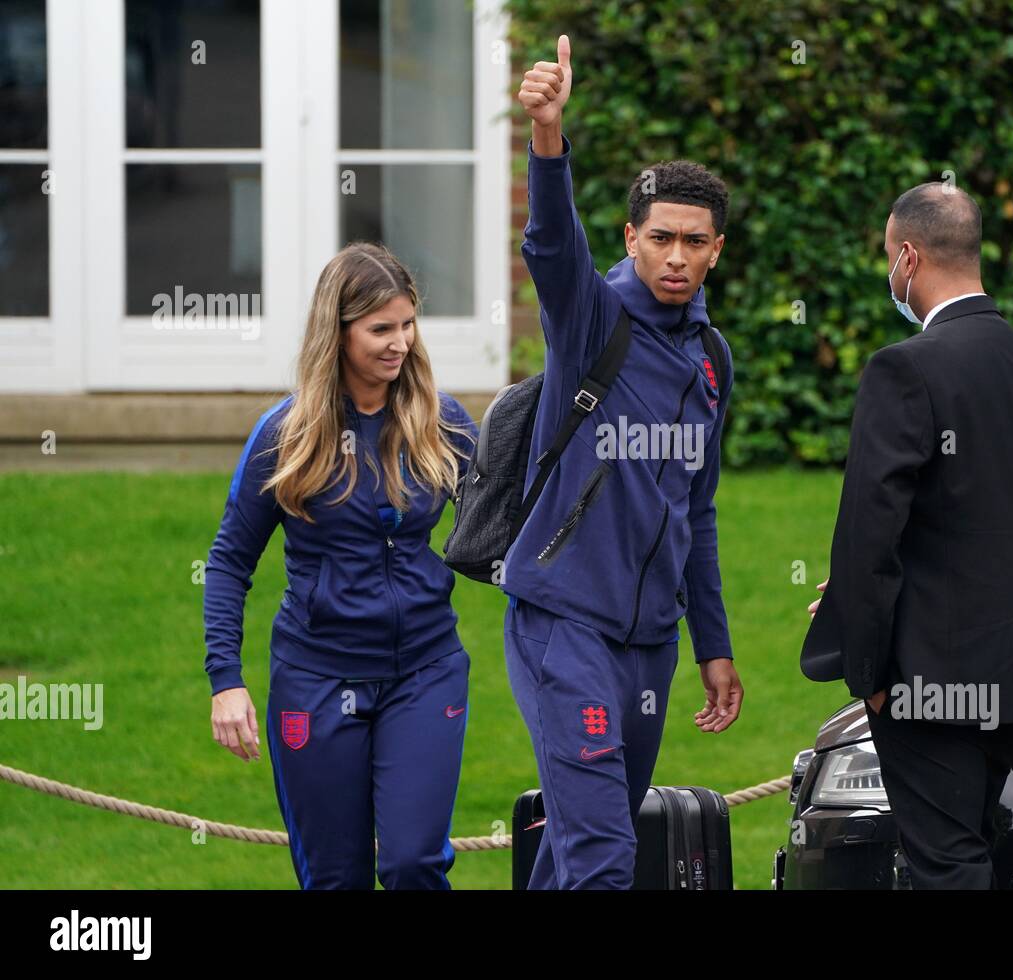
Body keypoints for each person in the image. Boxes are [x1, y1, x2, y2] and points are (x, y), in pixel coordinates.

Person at [505, 34, 744, 889]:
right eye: (660, 239)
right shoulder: (590, 319)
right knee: (606, 860)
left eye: (695, 241)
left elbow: (699, 512)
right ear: (632, 238)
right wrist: (547, 132)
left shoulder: (713, 360)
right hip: (564, 626)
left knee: (579, 849)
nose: (676, 257)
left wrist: (711, 643)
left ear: (717, 249)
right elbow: (549, 245)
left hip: (650, 647)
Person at [802, 182, 1013, 889]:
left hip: (928, 674)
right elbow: (995, 521)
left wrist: (871, 673)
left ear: (910, 258)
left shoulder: (905, 368)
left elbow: (870, 529)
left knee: (943, 865)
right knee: (972, 847)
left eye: (889, 258)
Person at [203, 242, 478, 889]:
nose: (400, 343)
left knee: (413, 863)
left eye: (408, 325)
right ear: (339, 332)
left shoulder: (444, 423)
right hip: (315, 679)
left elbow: (507, 536)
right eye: (381, 329)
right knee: (336, 878)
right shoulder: (286, 434)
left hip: (426, 671)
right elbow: (228, 562)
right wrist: (226, 680)